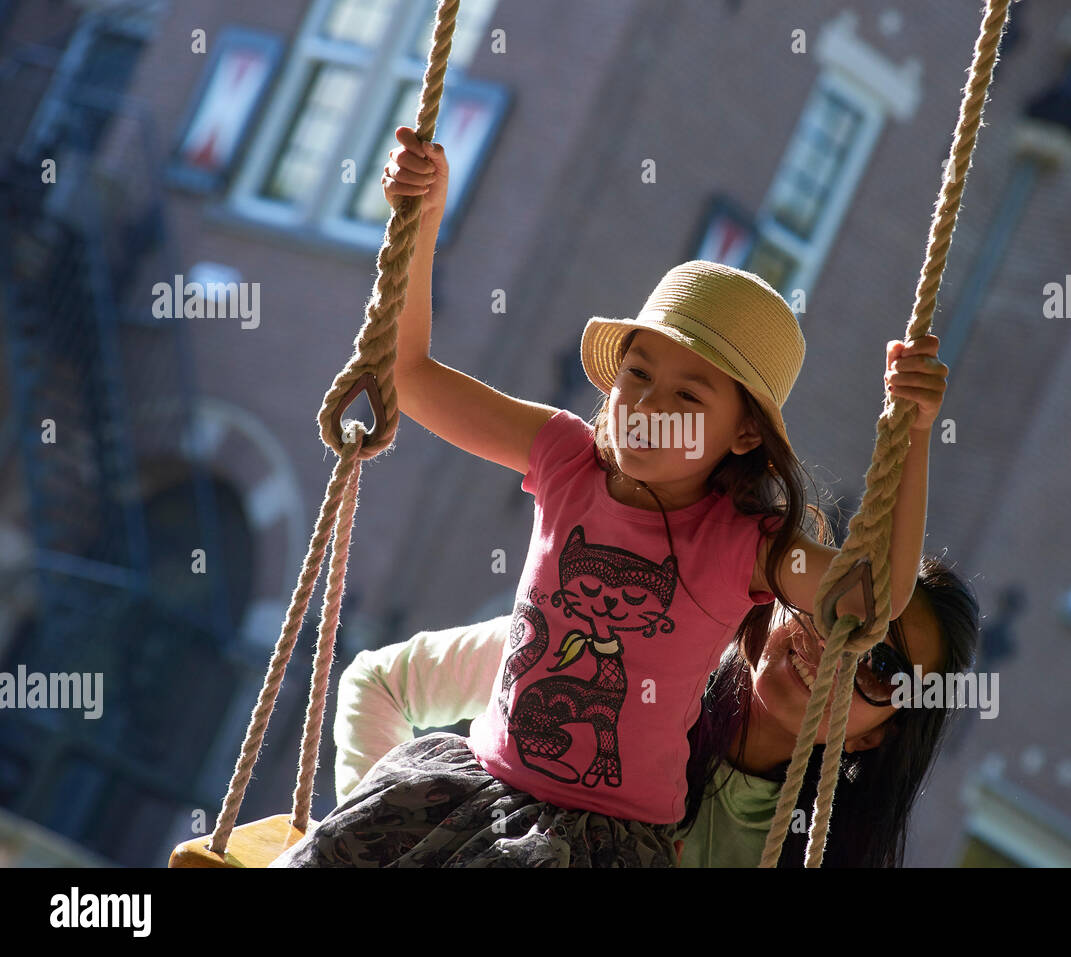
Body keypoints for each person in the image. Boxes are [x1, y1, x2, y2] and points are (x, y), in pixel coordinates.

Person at [271, 127, 950, 867]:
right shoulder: (565, 457)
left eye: (688, 395)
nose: (649, 405)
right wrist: (423, 218)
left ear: (745, 436)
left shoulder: (740, 544)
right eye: (637, 373)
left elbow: (877, 592)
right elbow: (410, 374)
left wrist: (910, 433)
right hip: (476, 791)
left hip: (602, 846)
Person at [331, 554, 979, 867]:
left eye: (880, 664)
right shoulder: (629, 656)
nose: (836, 648)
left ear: (879, 736)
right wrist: (381, 830)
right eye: (834, 606)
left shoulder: (807, 855)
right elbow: (383, 681)